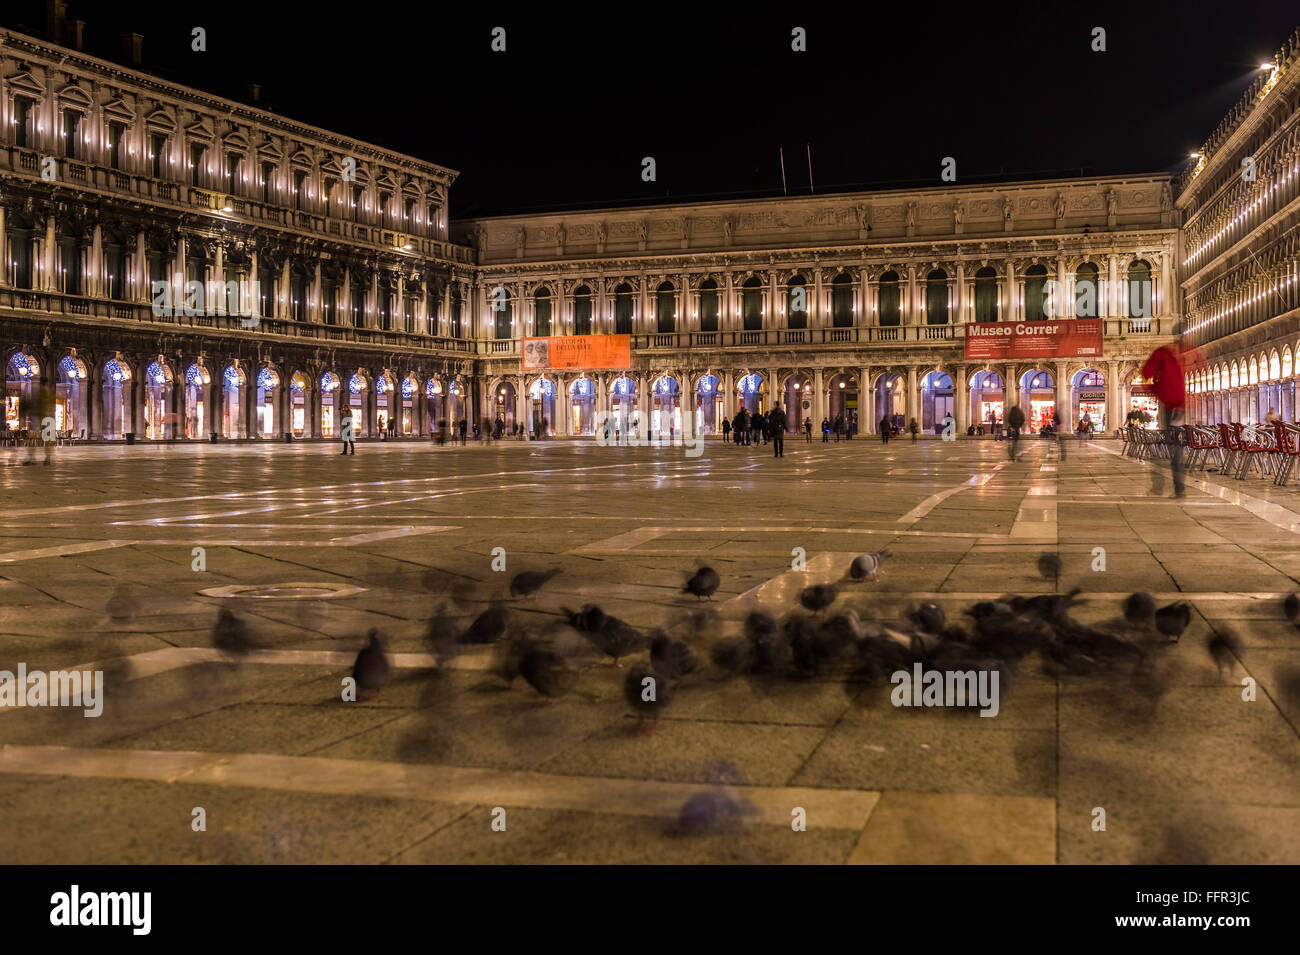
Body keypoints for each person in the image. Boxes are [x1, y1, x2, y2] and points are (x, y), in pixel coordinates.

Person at [1141, 341, 1186, 498]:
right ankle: (1179, 487)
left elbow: (1146, 372)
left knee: (1163, 449)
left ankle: (1160, 487)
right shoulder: (1181, 356)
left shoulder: (1161, 353)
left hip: (1169, 405)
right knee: (1176, 447)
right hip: (1180, 407)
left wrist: (1154, 389)